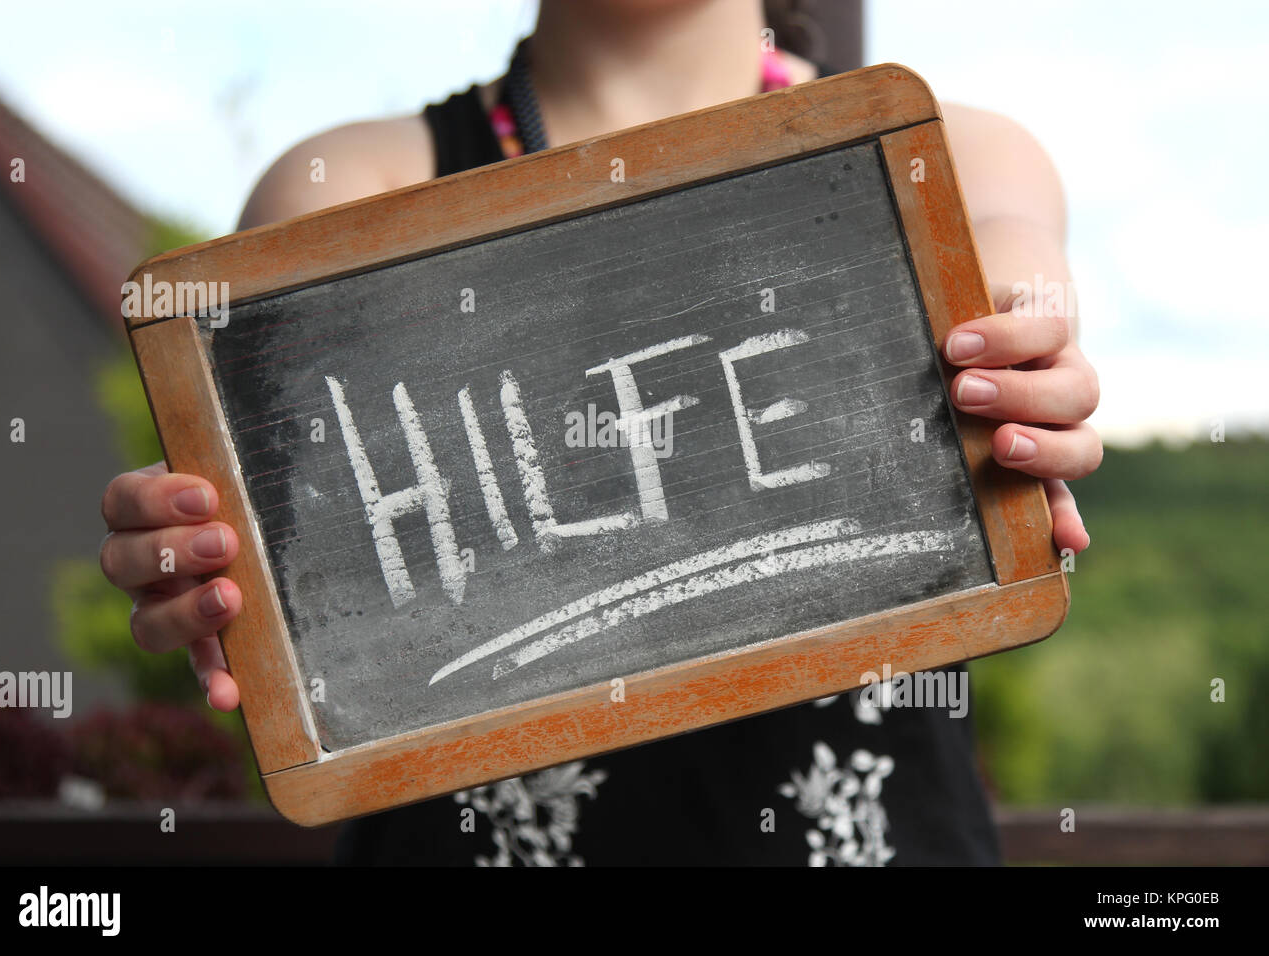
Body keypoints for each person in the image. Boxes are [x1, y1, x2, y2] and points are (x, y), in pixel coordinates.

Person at [99, 0, 1101, 865]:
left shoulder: (952, 159)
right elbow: (286, 549)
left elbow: (1020, 287)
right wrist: (212, 558)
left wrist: (1027, 362)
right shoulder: (337, 194)